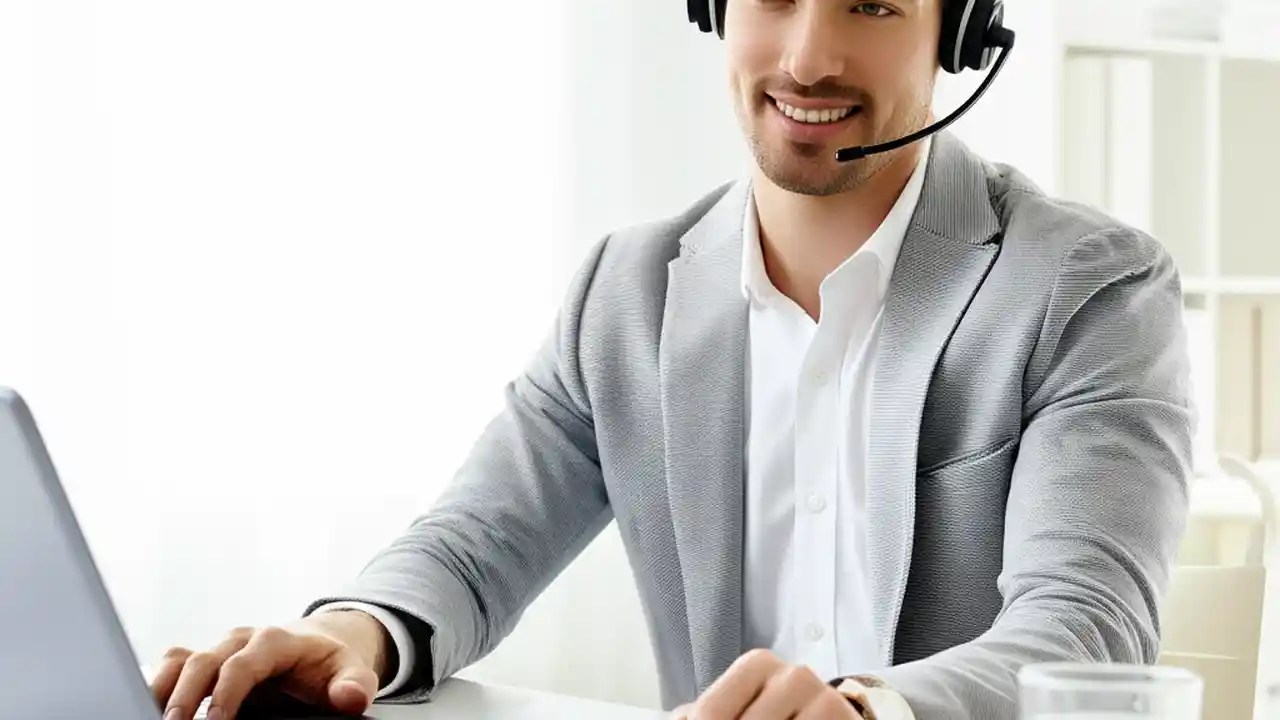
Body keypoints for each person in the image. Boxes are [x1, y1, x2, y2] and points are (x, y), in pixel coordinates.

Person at [149, 1, 1194, 718]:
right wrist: (354, 636)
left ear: (956, 34)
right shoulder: (628, 289)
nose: (806, 59)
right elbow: (474, 544)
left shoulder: (1087, 289)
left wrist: (866, 709)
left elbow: (1082, 638)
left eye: (870, 5)